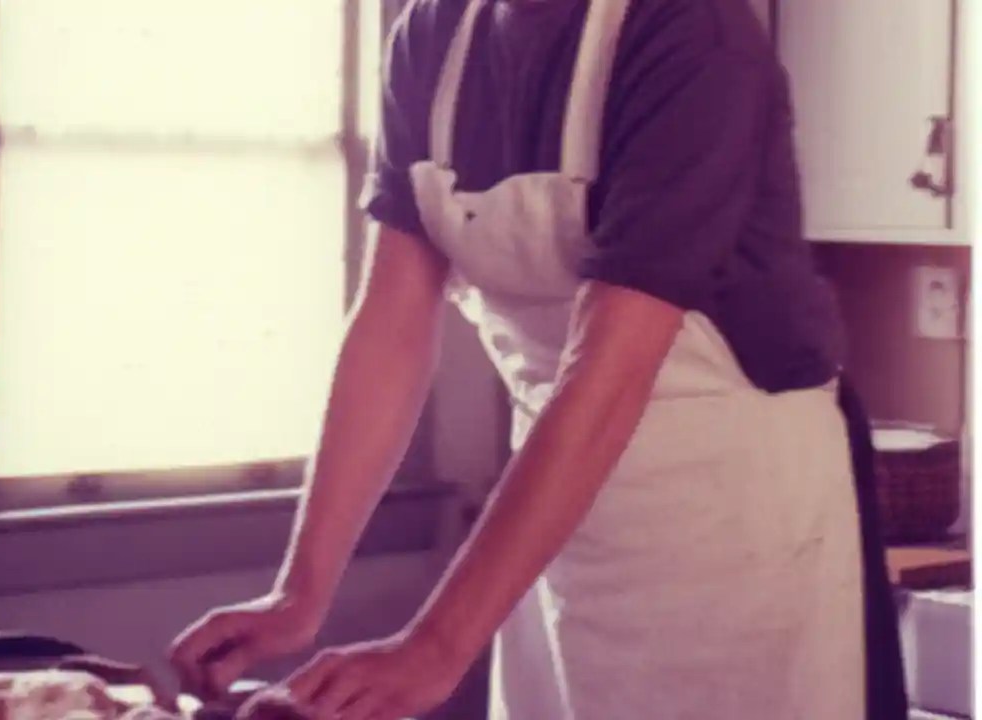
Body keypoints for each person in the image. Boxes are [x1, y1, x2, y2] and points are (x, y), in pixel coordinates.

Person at [171, 0, 907, 718]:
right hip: (555, 519)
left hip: (740, 531)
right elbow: (389, 326)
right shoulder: (432, 34)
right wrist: (300, 593)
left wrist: (436, 646)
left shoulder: (691, 34)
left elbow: (610, 368)